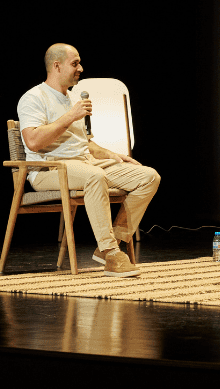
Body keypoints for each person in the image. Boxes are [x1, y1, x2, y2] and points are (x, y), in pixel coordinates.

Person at [18, 43, 161, 278]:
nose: (80, 68)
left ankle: (113, 242)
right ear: (56, 66)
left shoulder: (71, 98)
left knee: (148, 176)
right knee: (96, 177)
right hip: (48, 168)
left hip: (85, 162)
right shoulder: (34, 98)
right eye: (75, 63)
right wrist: (70, 116)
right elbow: (33, 142)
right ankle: (111, 252)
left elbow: (84, 143)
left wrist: (113, 155)